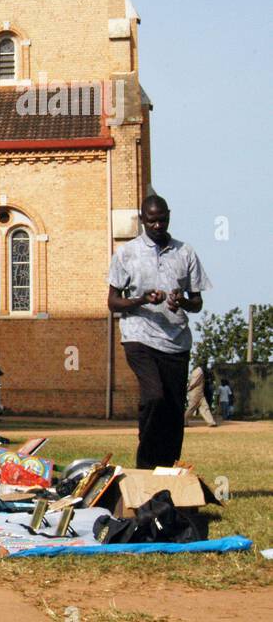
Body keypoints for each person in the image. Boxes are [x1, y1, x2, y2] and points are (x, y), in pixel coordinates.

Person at [108, 194, 212, 469]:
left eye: (162, 220)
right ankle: (146, 462)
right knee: (154, 396)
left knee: (174, 409)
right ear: (142, 219)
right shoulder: (126, 253)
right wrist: (142, 299)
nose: (157, 226)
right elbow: (112, 302)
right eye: (151, 221)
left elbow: (197, 303)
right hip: (139, 337)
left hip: (176, 342)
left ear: (169, 216)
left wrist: (183, 301)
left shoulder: (185, 252)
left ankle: (167, 467)